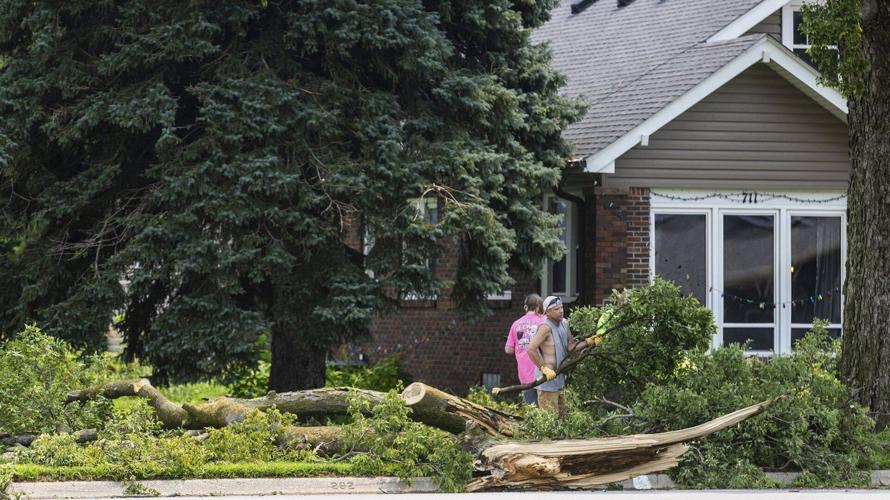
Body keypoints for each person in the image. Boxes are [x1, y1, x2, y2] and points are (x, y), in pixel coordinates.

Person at [526, 295, 602, 415]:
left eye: (561, 307)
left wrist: (588, 342)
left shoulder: (564, 323)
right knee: (550, 420)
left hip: (560, 380)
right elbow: (531, 349)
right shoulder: (545, 327)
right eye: (556, 309)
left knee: (562, 419)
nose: (561, 311)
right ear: (547, 312)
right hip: (547, 383)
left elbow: (571, 347)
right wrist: (543, 368)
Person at [504, 294, 546, 406]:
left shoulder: (516, 324)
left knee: (532, 409)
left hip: (526, 375)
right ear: (539, 306)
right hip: (545, 372)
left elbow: (508, 350)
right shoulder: (545, 321)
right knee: (548, 410)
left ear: (525, 307)